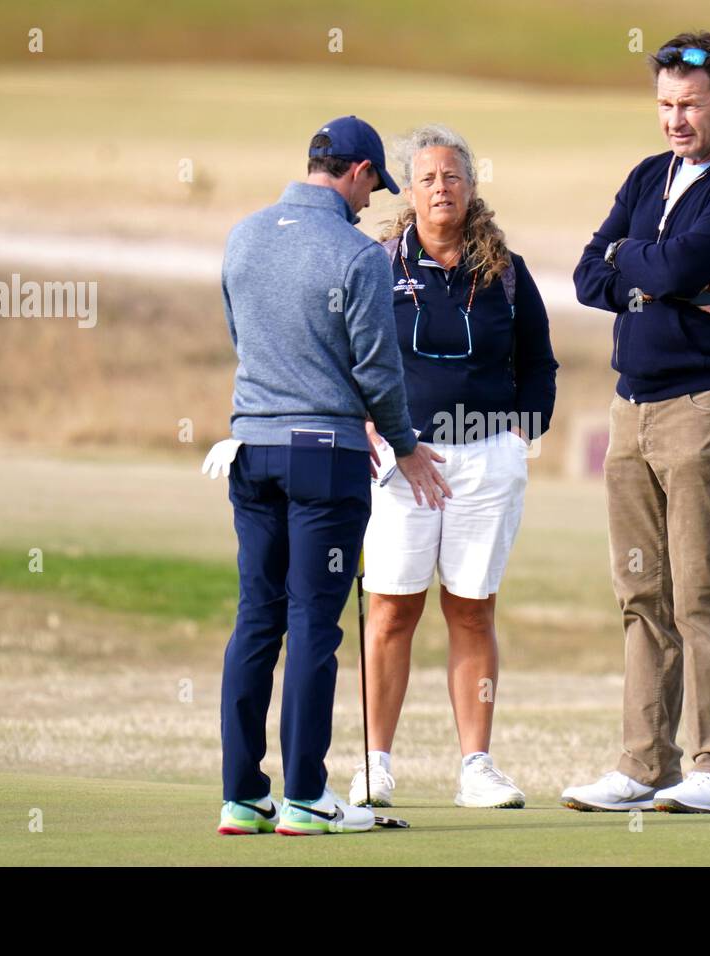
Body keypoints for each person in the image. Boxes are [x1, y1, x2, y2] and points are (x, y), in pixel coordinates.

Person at [564, 31, 710, 814]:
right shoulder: (648, 174)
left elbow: (666, 268)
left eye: (690, 104)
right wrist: (651, 268)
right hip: (632, 405)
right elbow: (589, 273)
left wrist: (651, 268)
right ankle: (643, 763)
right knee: (641, 591)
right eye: (664, 104)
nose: (675, 119)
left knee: (702, 590)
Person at [211, 115, 452, 836]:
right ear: (353, 173)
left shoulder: (243, 235)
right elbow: (377, 369)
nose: (369, 202)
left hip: (252, 450)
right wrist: (405, 442)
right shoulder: (359, 256)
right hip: (326, 457)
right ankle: (307, 795)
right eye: (370, 186)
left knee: (258, 618)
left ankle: (242, 795)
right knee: (315, 621)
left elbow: (240, 334)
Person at [347, 124, 558, 810]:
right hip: (402, 463)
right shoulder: (376, 264)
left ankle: (477, 767)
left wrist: (520, 436)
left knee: (472, 611)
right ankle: (374, 764)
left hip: (486, 459)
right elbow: (349, 358)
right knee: (391, 610)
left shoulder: (506, 271)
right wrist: (372, 428)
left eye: (454, 177)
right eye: (428, 178)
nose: (442, 188)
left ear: (471, 189)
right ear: (409, 190)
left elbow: (539, 365)